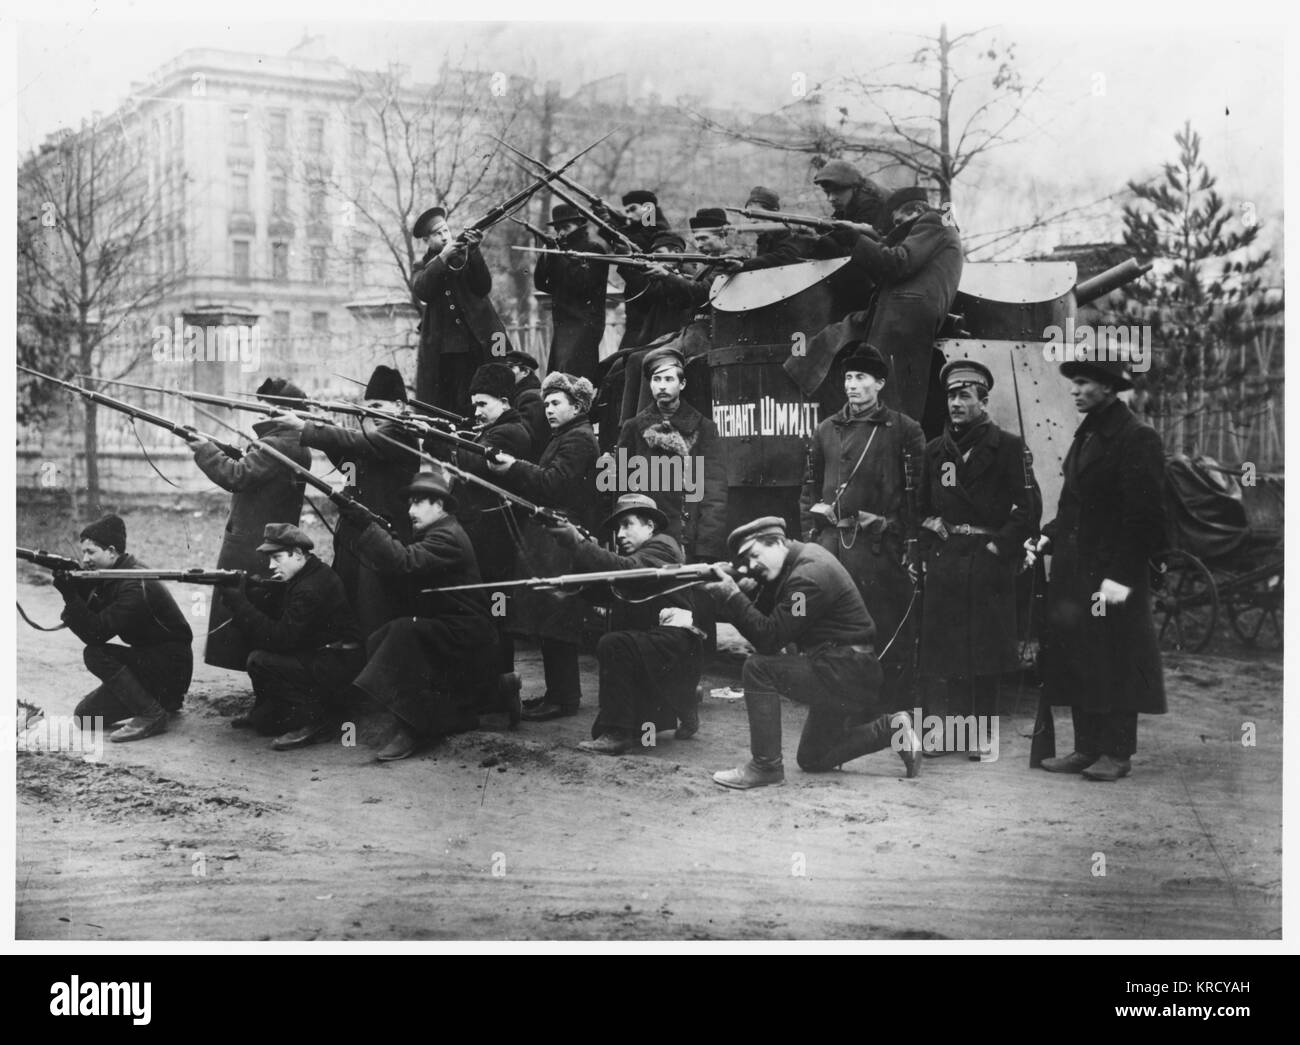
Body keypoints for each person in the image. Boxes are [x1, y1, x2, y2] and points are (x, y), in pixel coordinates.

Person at [702, 517, 921, 788]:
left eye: (755, 555)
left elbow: (769, 638)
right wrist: (747, 591)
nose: (750, 565)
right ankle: (892, 729)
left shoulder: (807, 578)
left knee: (758, 668)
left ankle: (765, 766)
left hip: (843, 672)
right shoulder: (803, 559)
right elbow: (776, 620)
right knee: (814, 758)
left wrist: (733, 598)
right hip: (847, 668)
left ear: (778, 543)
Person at [1029, 358, 1166, 782]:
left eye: (1083, 383)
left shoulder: (1136, 438)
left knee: (1116, 656)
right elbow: (1072, 502)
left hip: (1113, 573)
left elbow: (1143, 518)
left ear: (1108, 388)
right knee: (1079, 656)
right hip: (1076, 569)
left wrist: (1119, 577)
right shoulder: (1087, 432)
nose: (1074, 391)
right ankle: (1086, 748)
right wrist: (1048, 535)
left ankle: (1117, 752)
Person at [916, 360, 1041, 757]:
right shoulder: (935, 451)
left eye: (964, 396)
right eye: (951, 396)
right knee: (947, 652)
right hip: (948, 561)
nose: (955, 403)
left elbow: (1028, 508)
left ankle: (982, 735)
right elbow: (916, 505)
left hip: (988, 564)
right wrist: (928, 527)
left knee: (984, 653)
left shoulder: (1008, 447)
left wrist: (997, 548)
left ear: (983, 402)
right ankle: (951, 732)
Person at [799, 342, 925, 704]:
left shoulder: (903, 429)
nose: (853, 385)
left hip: (878, 549)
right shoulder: (826, 429)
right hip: (832, 548)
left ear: (880, 383)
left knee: (883, 625)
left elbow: (916, 496)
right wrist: (811, 537)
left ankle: (890, 704)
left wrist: (891, 527)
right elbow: (808, 488)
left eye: (862, 377)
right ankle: (838, 701)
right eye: (849, 377)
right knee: (832, 628)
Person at [344, 471, 499, 762]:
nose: (410, 511)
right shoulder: (440, 531)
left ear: (439, 505)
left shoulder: (447, 536)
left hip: (465, 635)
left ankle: (415, 726)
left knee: (402, 635)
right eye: (410, 503)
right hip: (455, 629)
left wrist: (367, 526)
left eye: (418, 503)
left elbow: (405, 562)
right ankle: (499, 692)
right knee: (384, 636)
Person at [544, 494, 704, 755]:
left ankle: (619, 734)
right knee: (637, 725)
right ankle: (682, 696)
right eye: (618, 528)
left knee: (614, 644)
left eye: (628, 524)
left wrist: (580, 544)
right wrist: (570, 586)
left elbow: (625, 571)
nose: (620, 534)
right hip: (659, 646)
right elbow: (613, 591)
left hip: (674, 645)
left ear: (650, 526)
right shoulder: (641, 555)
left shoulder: (662, 546)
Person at [487, 372, 601, 721]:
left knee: (556, 618)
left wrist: (513, 467)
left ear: (577, 406)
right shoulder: (566, 435)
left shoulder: (578, 440)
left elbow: (554, 484)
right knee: (552, 618)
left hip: (562, 534)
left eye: (556, 403)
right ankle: (559, 694)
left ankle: (564, 699)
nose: (548, 409)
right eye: (546, 403)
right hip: (554, 533)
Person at [280, 364, 418, 637]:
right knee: (351, 609)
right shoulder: (377, 437)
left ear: (400, 405)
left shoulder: (403, 433)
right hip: (357, 536)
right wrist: (324, 430)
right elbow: (351, 468)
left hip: (382, 537)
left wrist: (309, 427)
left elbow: (359, 444)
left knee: (374, 611)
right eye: (368, 406)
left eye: (378, 405)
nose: (371, 412)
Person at [185, 376, 310, 672]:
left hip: (253, 545)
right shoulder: (288, 442)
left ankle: (263, 687)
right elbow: (250, 466)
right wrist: (213, 446)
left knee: (248, 613)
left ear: (280, 412)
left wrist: (205, 450)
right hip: (262, 542)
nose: (257, 412)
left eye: (263, 408)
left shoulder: (279, 445)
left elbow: (236, 476)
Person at [218, 523, 364, 750]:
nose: (271, 565)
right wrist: (254, 593)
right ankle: (268, 708)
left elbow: (281, 638)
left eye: (276, 558)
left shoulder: (311, 587)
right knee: (264, 723)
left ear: (297, 554)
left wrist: (242, 604)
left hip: (336, 664)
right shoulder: (309, 572)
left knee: (259, 659)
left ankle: (315, 720)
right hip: (320, 653)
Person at [56, 514, 193, 743]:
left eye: (91, 552)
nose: (85, 559)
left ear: (111, 551)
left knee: (95, 653)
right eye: (84, 552)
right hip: (152, 663)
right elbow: (93, 621)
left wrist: (71, 597)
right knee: (85, 717)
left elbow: (95, 633)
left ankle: (152, 713)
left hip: (170, 666)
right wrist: (78, 593)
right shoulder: (116, 575)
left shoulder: (133, 582)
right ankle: (162, 701)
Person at [839, 186, 964, 428]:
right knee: (888, 399)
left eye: (900, 221)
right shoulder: (939, 229)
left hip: (904, 320)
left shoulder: (934, 221)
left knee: (891, 402)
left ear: (917, 209)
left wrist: (857, 240)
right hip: (902, 319)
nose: (897, 228)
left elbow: (898, 262)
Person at [454, 362, 533, 679]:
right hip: (486, 534)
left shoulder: (510, 432)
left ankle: (500, 684)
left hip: (497, 540)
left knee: (494, 611)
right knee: (485, 609)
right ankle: (493, 683)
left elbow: (477, 462)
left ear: (505, 401)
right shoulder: (495, 429)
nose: (476, 412)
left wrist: (450, 442)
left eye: (482, 404)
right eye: (474, 405)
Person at [615, 346, 728, 563]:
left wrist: (707, 547)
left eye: (669, 379)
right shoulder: (633, 429)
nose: (662, 386)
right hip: (645, 540)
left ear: (682, 383)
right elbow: (621, 490)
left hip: (689, 540)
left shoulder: (704, 429)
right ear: (650, 384)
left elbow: (715, 493)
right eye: (657, 380)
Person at [411, 206, 513, 415]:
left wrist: (474, 251)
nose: (444, 237)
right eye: (437, 234)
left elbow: (483, 287)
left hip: (479, 343)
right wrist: (442, 259)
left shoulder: (466, 256)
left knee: (488, 394)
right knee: (452, 405)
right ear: (426, 241)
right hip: (447, 352)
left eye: (446, 231)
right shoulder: (423, 265)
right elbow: (423, 290)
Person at [534, 203, 609, 381]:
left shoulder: (593, 249)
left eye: (566, 227)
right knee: (558, 373)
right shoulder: (559, 250)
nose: (561, 233)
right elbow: (542, 284)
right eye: (558, 229)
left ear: (579, 226)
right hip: (563, 323)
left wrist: (561, 257)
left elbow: (583, 285)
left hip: (585, 323)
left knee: (575, 374)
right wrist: (547, 255)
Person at [503, 350, 549, 459]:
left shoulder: (530, 397)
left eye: (510, 367)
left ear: (525, 372)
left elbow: (525, 435)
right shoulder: (521, 394)